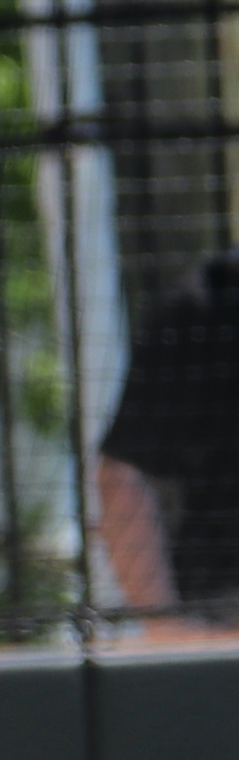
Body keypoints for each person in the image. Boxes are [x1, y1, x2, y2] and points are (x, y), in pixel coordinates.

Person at [98, 251, 239, 625]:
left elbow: (121, 478)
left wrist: (163, 626)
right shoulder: (204, 306)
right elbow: (122, 477)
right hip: (223, 616)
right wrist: (165, 627)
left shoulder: (200, 301)